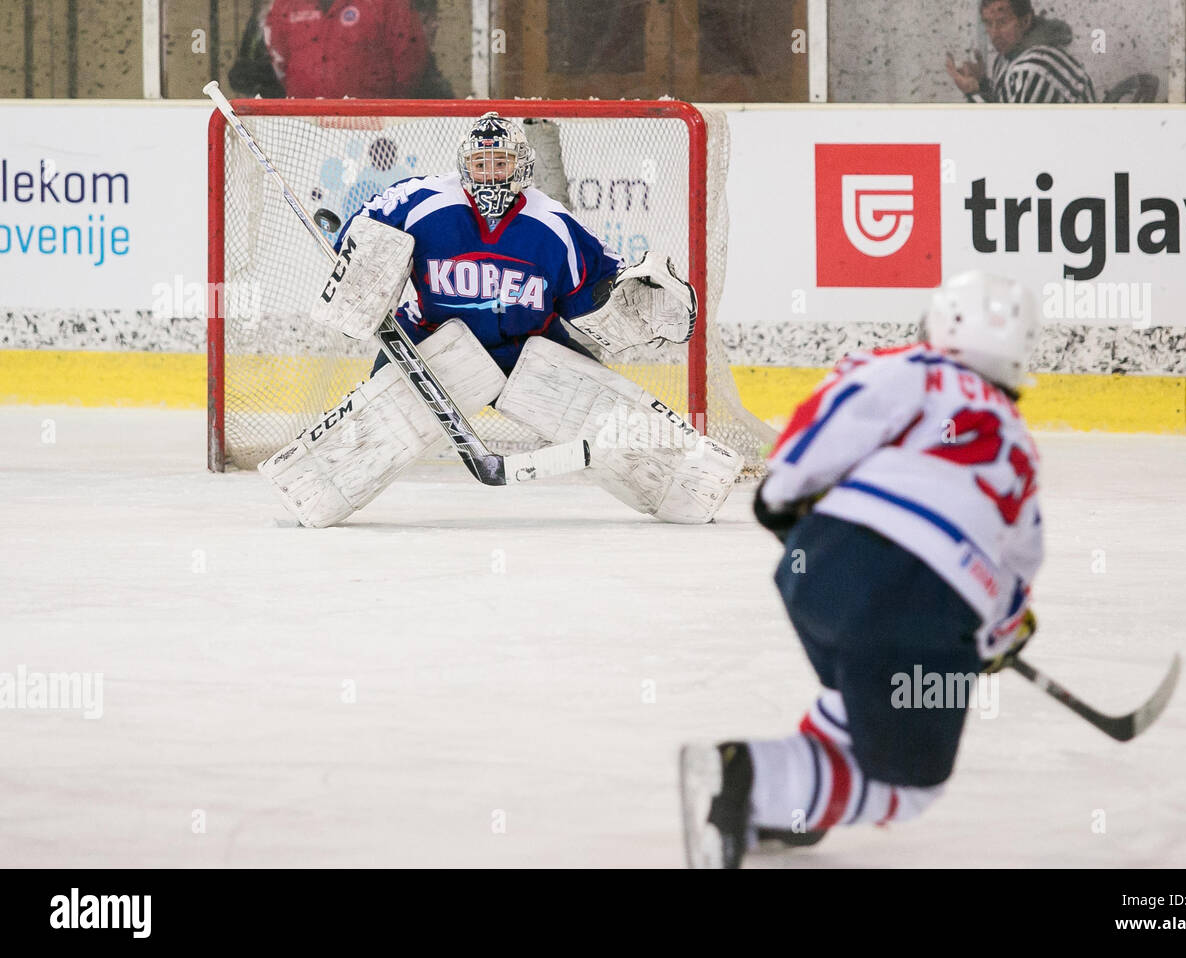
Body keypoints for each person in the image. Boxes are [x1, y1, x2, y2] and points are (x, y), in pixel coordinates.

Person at [679, 271, 1044, 868]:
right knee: (912, 783)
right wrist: (1000, 635)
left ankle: (796, 804)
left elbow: (838, 415)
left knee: (861, 687)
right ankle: (749, 778)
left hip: (825, 570)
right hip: (933, 603)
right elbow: (1019, 558)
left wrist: (783, 492)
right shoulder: (1021, 445)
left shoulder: (912, 369)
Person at [259, 112, 742, 528]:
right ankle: (313, 486)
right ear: (463, 166)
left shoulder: (554, 226)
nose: (490, 175)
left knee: (609, 417)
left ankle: (692, 480)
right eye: (480, 163)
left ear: (523, 166)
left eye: (501, 163)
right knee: (373, 423)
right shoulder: (419, 200)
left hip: (528, 347)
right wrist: (352, 255)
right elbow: (363, 237)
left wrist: (633, 301)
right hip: (430, 340)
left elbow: (594, 301)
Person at [229, 0, 452, 98]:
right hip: (304, 125)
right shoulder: (286, 4)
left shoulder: (387, 3)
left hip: (372, 126)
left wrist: (386, 113)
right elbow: (279, 61)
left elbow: (409, 63)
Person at [945, 0, 1096, 104]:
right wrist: (981, 84)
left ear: (1025, 21)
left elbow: (1009, 135)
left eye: (1002, 22)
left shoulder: (1035, 67)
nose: (994, 33)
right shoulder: (1006, 57)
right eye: (988, 23)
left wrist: (973, 92)